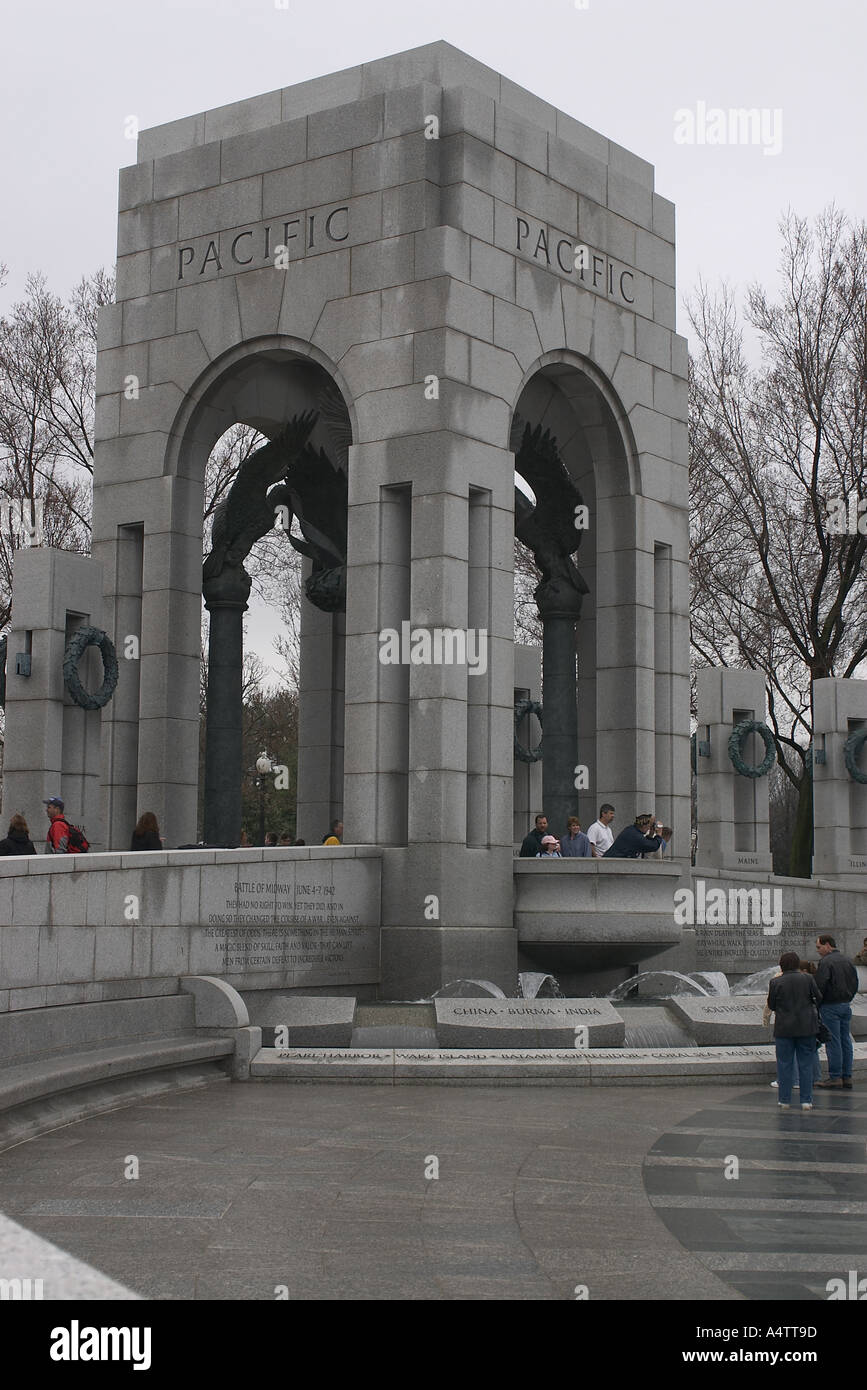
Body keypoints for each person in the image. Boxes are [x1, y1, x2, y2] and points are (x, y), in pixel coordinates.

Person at [767, 950, 821, 1110]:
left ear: (782, 965)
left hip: (784, 1029)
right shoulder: (808, 978)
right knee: (805, 1064)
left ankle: (784, 1100)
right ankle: (806, 1100)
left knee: (784, 1064)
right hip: (806, 1028)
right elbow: (818, 998)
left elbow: (771, 1005)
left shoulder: (776, 982)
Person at [814, 934, 858, 1091]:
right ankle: (847, 1076)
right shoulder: (847, 960)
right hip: (845, 1005)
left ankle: (835, 1077)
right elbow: (855, 982)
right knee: (845, 1040)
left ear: (827, 945)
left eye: (819, 947)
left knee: (833, 1041)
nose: (818, 951)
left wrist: (817, 1005)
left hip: (830, 1006)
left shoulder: (826, 962)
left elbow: (820, 986)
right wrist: (848, 998)